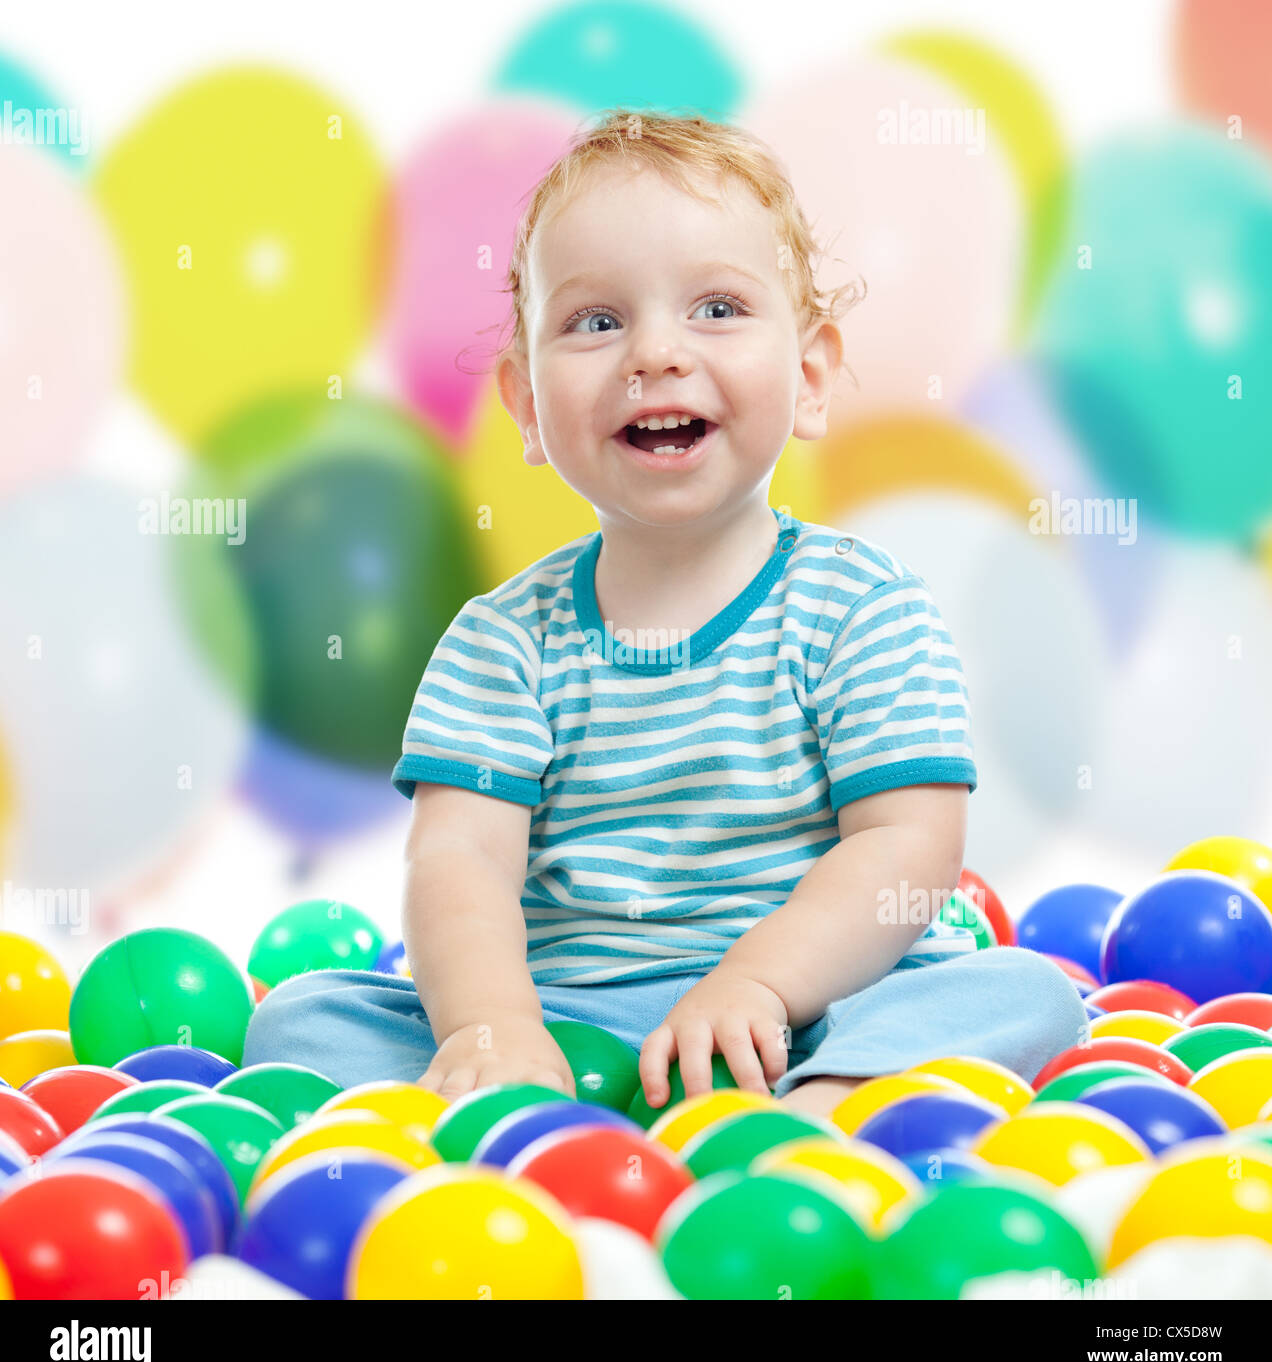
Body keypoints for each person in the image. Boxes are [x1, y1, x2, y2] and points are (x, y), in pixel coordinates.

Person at [243, 109, 1087, 1116]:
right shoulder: (501, 643)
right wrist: (492, 1023)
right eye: (596, 322)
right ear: (523, 405)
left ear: (811, 376)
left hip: (807, 1005)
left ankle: (823, 1100)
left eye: (717, 309)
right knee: (301, 1017)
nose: (654, 353)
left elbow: (909, 845)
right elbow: (458, 858)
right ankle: (538, 1103)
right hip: (568, 1018)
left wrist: (759, 986)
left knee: (1024, 992)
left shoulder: (865, 610)